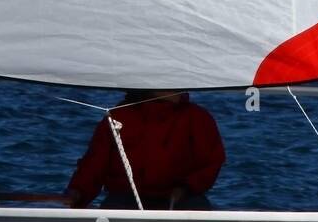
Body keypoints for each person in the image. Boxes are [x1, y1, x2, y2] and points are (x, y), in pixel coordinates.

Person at [63, 90, 225, 210]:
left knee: (196, 210)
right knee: (112, 211)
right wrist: (78, 191)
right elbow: (95, 163)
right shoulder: (119, 116)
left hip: (182, 197)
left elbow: (212, 161)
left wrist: (187, 187)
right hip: (125, 198)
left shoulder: (197, 118)